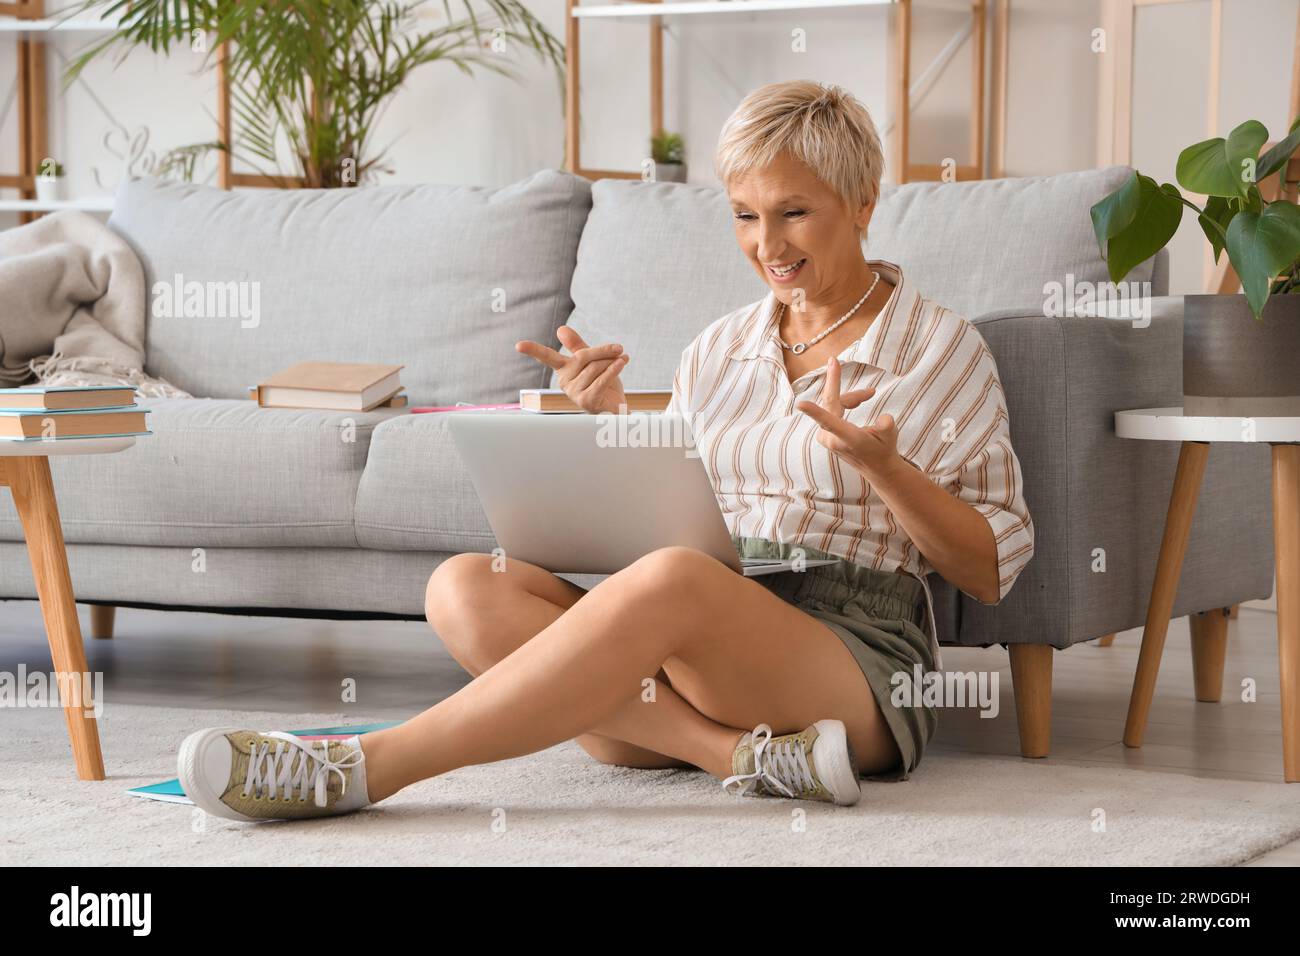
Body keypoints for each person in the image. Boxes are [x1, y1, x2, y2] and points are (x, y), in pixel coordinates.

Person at [175, 80, 1033, 822]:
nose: (767, 246)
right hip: (695, 643)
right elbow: (680, 503)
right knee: (467, 585)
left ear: (863, 202)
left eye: (794, 213)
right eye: (745, 215)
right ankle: (731, 755)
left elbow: (988, 571)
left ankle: (363, 768)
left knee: (671, 579)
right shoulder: (719, 348)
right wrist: (612, 425)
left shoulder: (938, 349)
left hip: (852, 658)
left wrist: (886, 469)